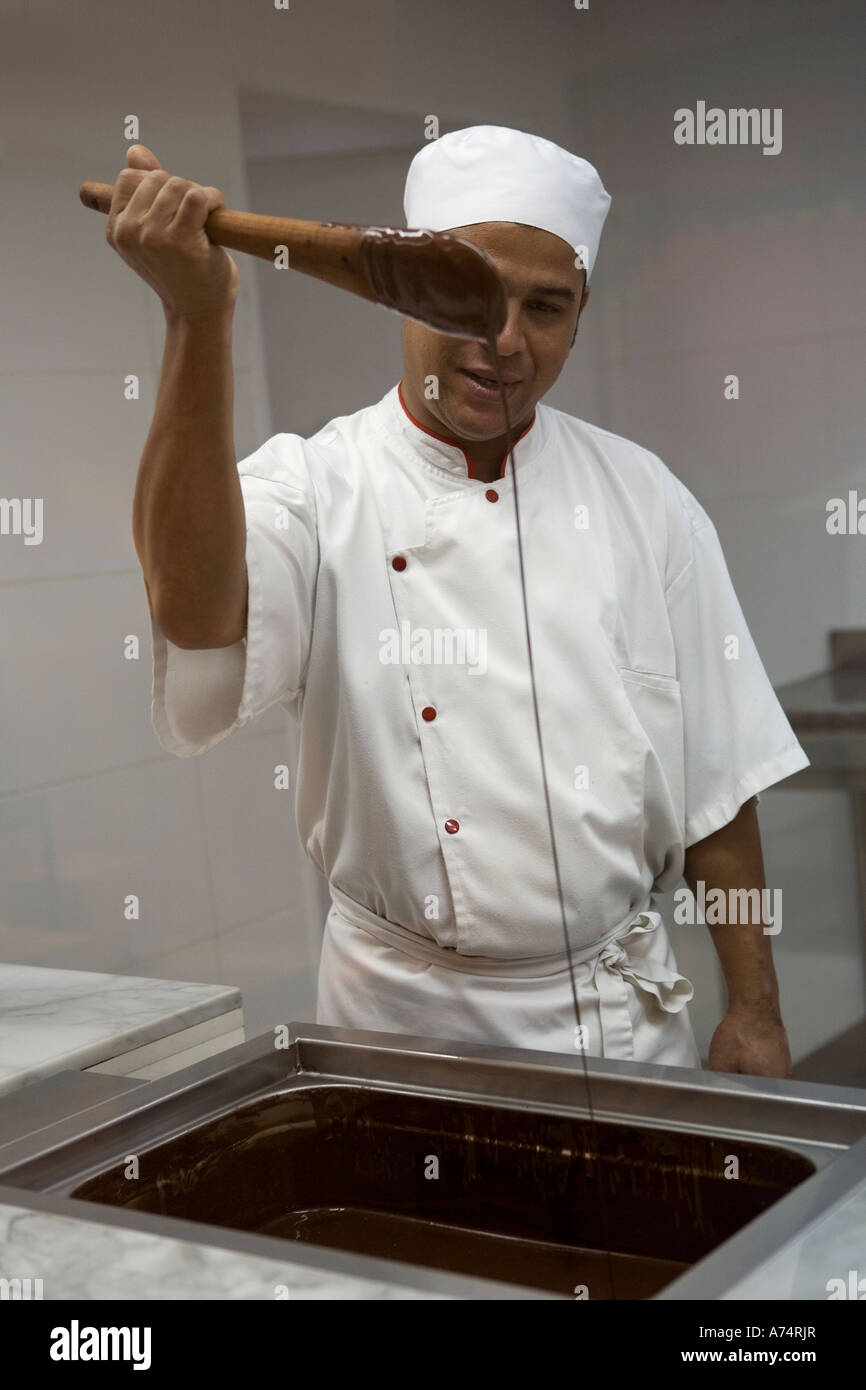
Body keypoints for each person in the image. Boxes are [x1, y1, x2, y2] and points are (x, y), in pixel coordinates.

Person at [107, 126, 809, 1076]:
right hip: (400, 1028)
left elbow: (718, 795)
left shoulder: (648, 502)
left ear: (581, 313)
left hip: (620, 1024)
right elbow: (193, 612)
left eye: (546, 308)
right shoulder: (317, 486)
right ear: (400, 289)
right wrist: (197, 322)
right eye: (469, 297)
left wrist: (755, 1009)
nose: (504, 343)